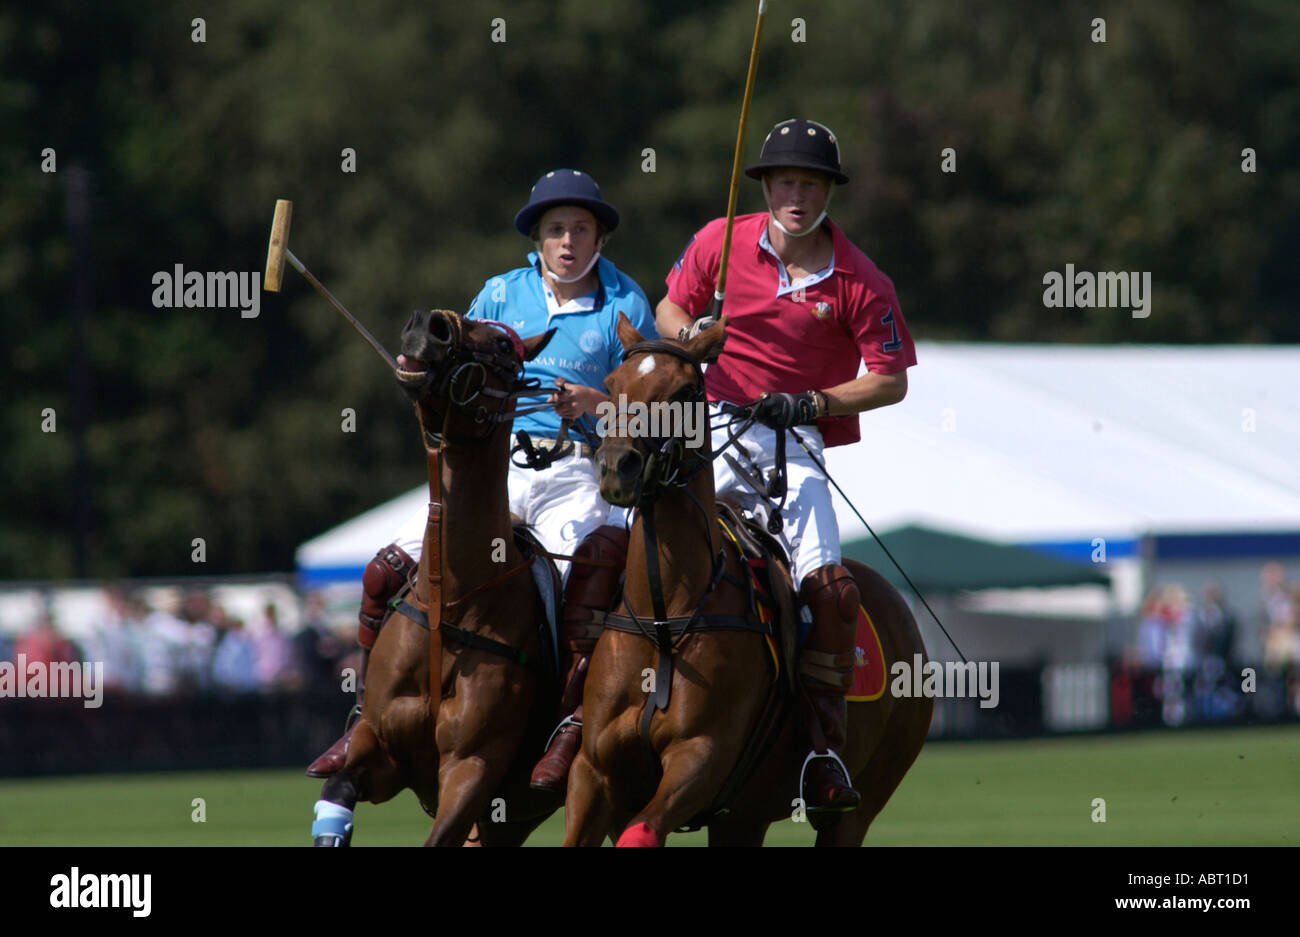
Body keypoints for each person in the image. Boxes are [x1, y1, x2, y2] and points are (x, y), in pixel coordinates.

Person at [307, 170, 657, 790]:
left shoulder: (626, 305)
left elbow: (651, 408)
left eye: (580, 228)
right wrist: (423, 372)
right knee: (388, 571)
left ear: (599, 235)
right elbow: (456, 367)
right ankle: (363, 716)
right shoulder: (499, 294)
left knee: (584, 586)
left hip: (574, 474)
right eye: (556, 230)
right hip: (489, 470)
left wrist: (597, 402)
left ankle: (567, 726)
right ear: (538, 239)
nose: (568, 241)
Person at [655, 118, 917, 816]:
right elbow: (670, 307)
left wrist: (811, 401)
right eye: (785, 181)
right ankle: (579, 711)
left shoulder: (861, 279)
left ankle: (822, 749)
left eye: (810, 182)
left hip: (791, 442)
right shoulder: (721, 239)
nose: (796, 194)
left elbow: (891, 379)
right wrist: (692, 338)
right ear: (766, 185)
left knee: (829, 590)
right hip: (704, 426)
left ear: (829, 189)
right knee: (620, 548)